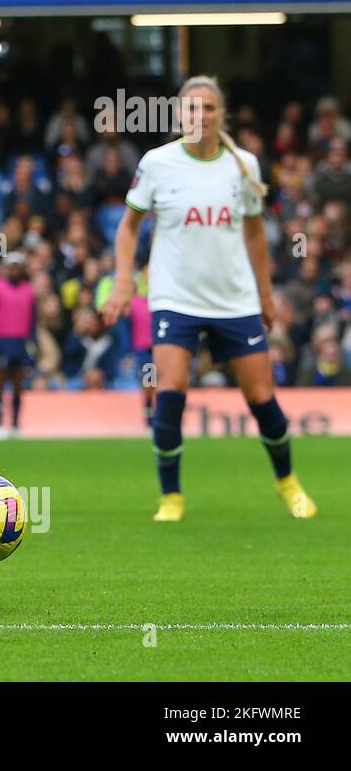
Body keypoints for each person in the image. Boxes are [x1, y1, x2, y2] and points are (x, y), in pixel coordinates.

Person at [103, 75, 317, 523]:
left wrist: (265, 294)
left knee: (262, 399)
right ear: (179, 115)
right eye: (191, 109)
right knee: (171, 390)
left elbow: (256, 235)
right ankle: (172, 497)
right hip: (174, 297)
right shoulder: (158, 163)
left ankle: (287, 483)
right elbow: (128, 227)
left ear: (224, 115)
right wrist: (123, 281)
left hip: (234, 300)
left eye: (209, 109)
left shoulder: (245, 166)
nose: (200, 117)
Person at [0, 251, 34, 439]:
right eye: (11, 266)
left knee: (18, 386)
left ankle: (15, 424)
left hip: (20, 341)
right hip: (2, 341)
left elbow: (33, 319)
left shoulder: (28, 290)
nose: (14, 270)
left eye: (17, 267)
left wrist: (32, 343)